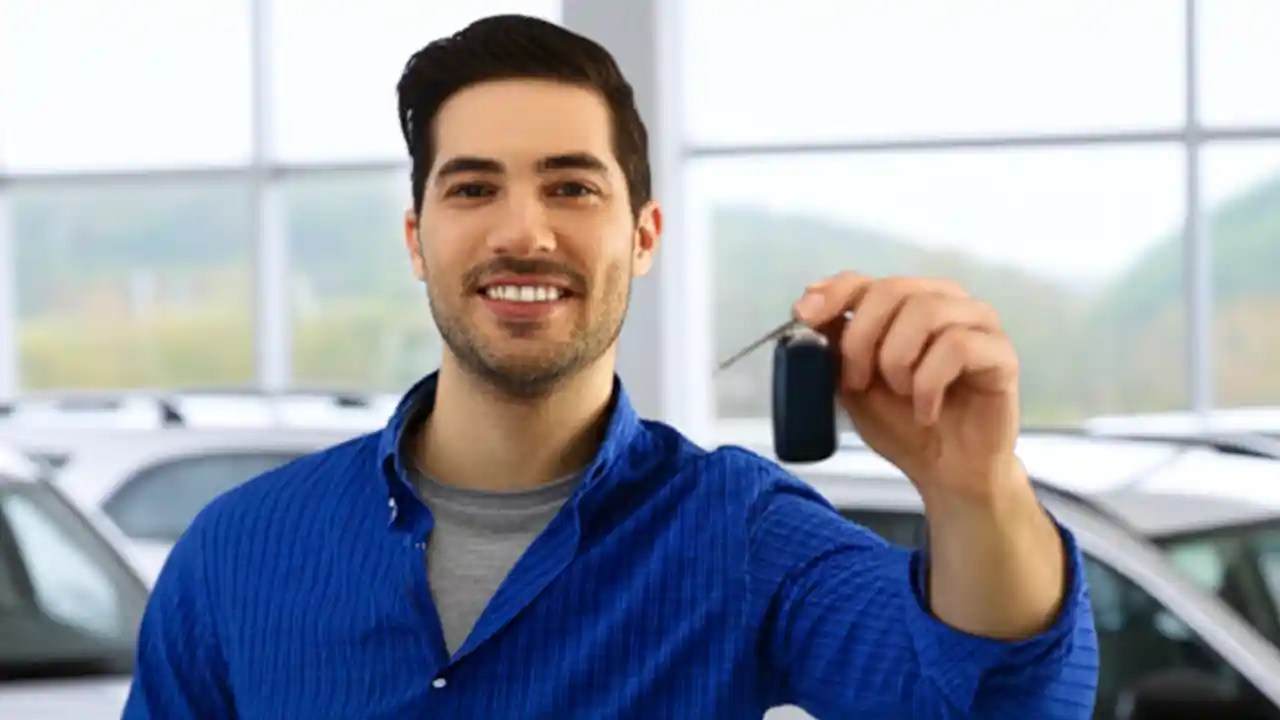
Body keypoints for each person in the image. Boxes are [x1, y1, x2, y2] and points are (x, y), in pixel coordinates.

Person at [124, 14, 1099, 719]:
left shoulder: (738, 532)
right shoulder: (237, 551)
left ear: (641, 237)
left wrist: (973, 485)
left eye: (570, 185)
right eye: (473, 188)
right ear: (419, 240)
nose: (522, 230)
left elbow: (990, 699)